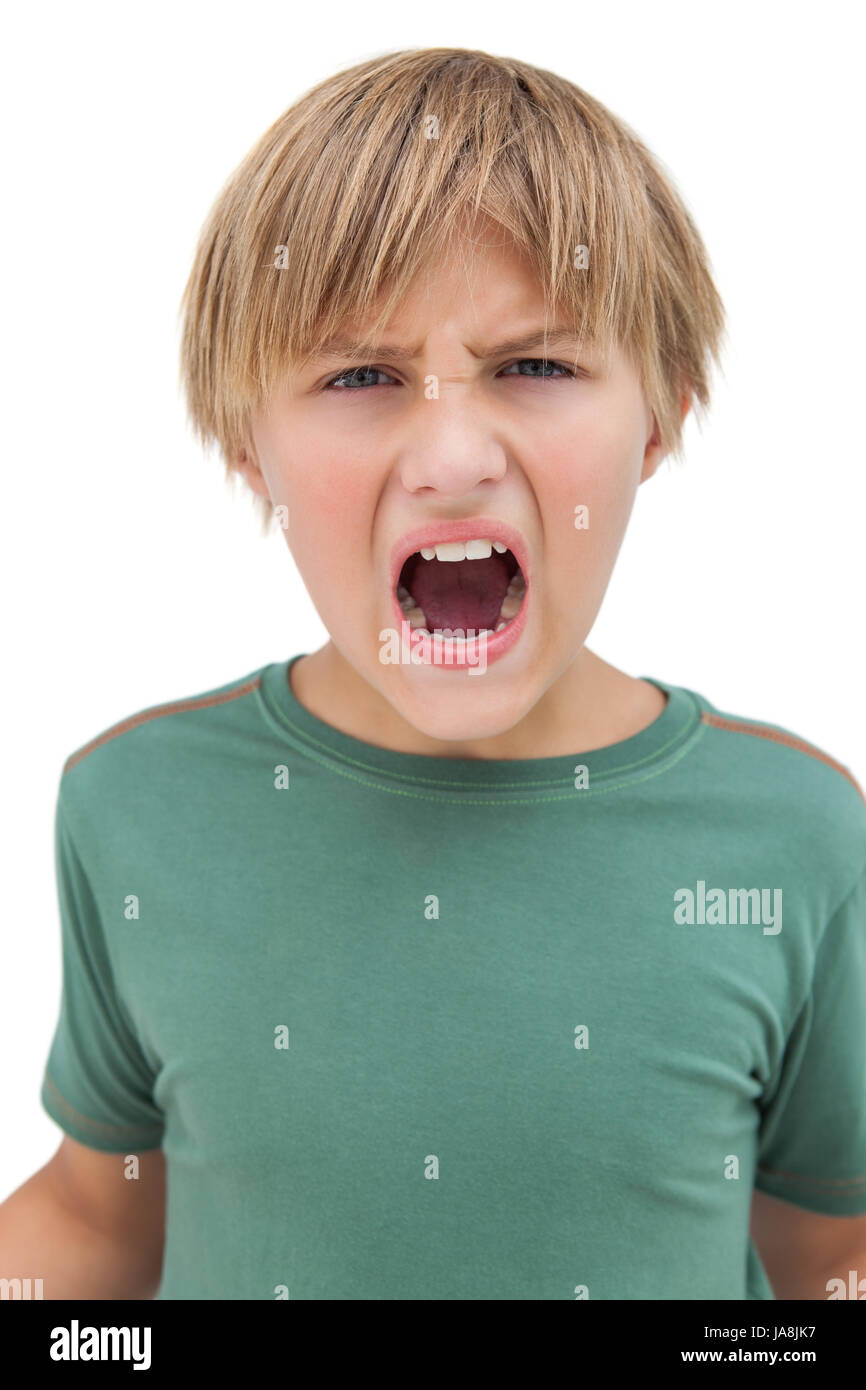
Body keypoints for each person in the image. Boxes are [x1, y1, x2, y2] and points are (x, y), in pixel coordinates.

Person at [2, 46, 864, 1300]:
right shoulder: (132, 805)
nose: (450, 455)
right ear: (251, 446)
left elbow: (825, 1250)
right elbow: (99, 1216)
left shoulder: (792, 836)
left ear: (662, 414)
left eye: (535, 365)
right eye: (359, 376)